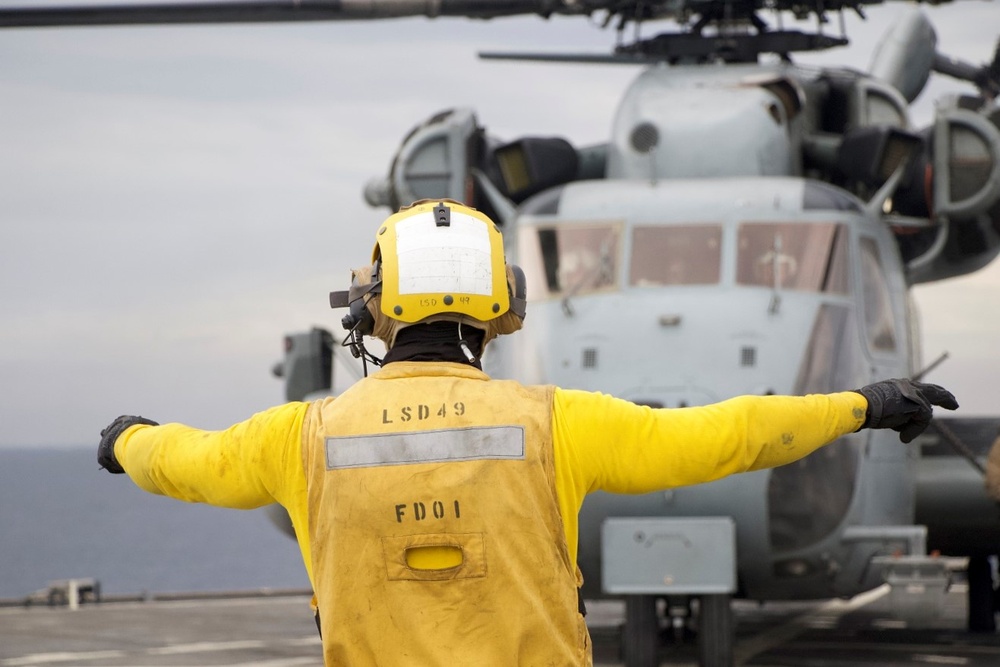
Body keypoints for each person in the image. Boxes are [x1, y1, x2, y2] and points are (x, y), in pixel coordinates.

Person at [98, 199, 958, 666]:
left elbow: (192, 462)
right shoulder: (555, 423)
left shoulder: (302, 436)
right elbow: (730, 434)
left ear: (375, 307)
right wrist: (866, 405)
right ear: (500, 307)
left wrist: (128, 439)